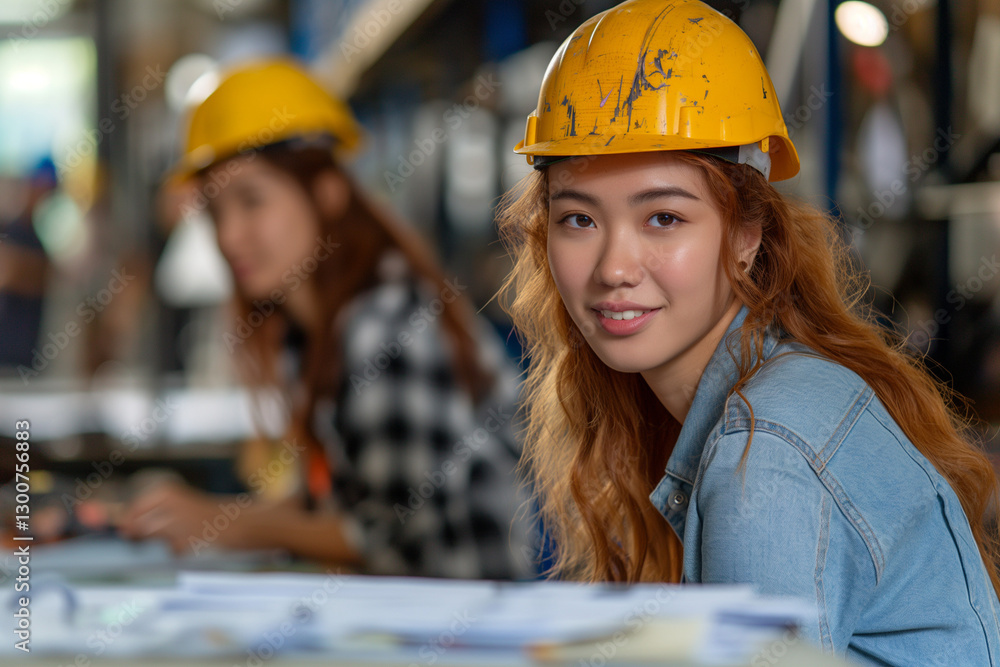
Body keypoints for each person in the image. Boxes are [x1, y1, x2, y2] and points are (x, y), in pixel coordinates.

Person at [497, 0, 1000, 663]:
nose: (613, 268)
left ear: (745, 236)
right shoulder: (768, 391)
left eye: (664, 218)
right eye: (579, 220)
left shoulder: (764, 456)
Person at [120, 59, 533, 581]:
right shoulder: (311, 330)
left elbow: (388, 535)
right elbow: (336, 497)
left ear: (327, 193)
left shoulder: (386, 325)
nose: (229, 236)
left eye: (251, 201)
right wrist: (203, 515)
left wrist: (227, 524)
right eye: (215, 211)